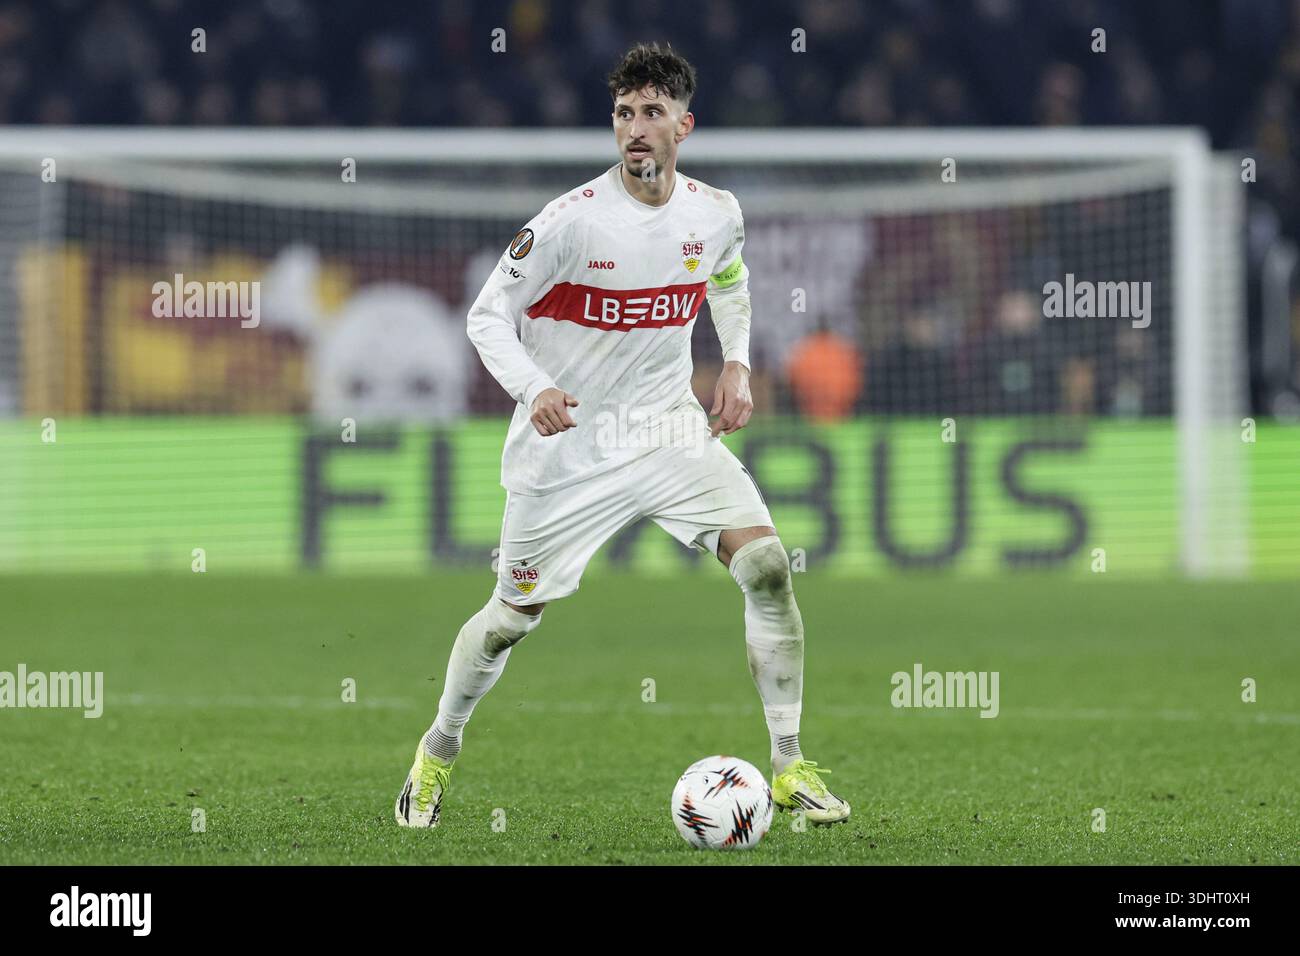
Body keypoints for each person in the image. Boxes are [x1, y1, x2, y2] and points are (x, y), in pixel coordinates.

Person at [394, 42, 849, 830]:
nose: (635, 129)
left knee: (769, 566)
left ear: (684, 124)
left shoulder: (715, 212)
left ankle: (788, 767)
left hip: (669, 429)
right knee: (509, 619)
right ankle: (435, 753)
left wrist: (736, 363)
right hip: (568, 449)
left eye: (651, 113)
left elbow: (730, 279)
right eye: (623, 114)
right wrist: (534, 387)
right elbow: (484, 316)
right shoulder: (571, 224)